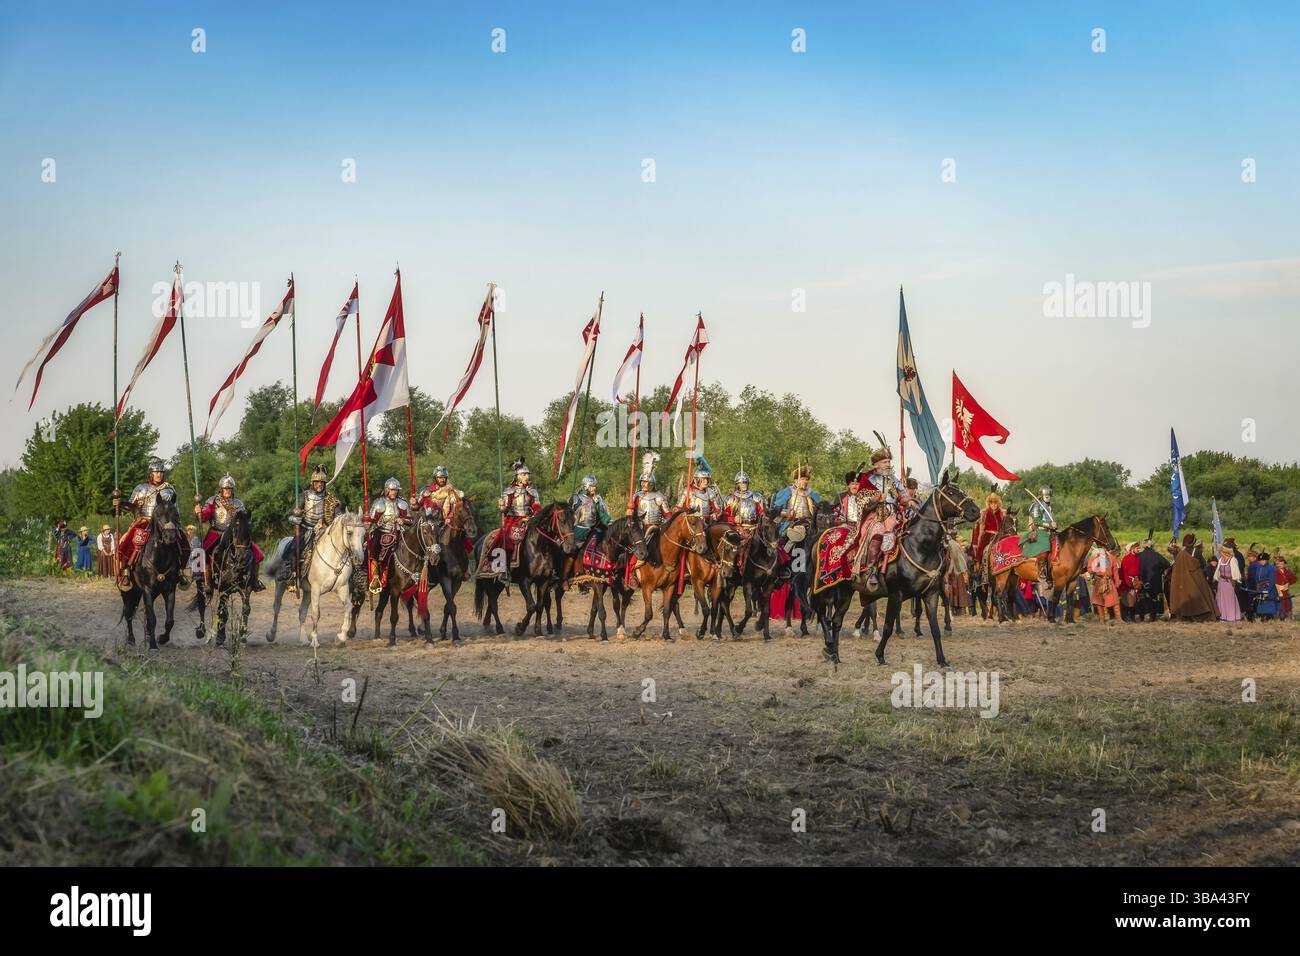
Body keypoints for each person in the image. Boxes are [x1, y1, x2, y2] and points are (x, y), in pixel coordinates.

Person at [113, 457, 189, 590]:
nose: (159, 474)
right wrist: (120, 504)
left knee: (183, 544)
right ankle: (126, 572)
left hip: (166, 524)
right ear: (151, 473)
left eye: (161, 472)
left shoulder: (170, 490)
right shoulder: (141, 488)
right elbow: (132, 506)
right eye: (156, 472)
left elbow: (175, 510)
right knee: (128, 543)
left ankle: (180, 572)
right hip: (145, 521)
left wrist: (176, 525)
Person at [855, 447, 915, 588]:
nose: (888, 464)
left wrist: (909, 501)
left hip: (894, 516)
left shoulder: (894, 480)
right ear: (876, 465)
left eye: (888, 461)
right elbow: (861, 502)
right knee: (877, 535)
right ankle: (871, 570)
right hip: (875, 517)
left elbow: (902, 496)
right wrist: (876, 500)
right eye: (884, 462)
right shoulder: (868, 480)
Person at [195, 475, 265, 590]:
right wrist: (199, 513)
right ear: (221, 489)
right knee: (201, 552)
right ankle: (204, 579)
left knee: (257, 554)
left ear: (233, 489)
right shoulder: (213, 501)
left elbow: (244, 520)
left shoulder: (238, 503)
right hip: (216, 533)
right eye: (226, 488)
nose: (228, 491)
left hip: (234, 534)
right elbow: (204, 517)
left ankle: (254, 580)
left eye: (230, 488)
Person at [479, 457, 541, 577]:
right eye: (524, 475)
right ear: (518, 476)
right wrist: (501, 506)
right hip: (513, 519)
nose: (527, 477)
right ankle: (504, 568)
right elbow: (505, 509)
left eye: (527, 475)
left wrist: (536, 515)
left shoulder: (532, 491)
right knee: (506, 538)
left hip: (529, 518)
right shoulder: (509, 491)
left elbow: (536, 506)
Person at [286, 465, 340, 589]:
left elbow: (338, 516)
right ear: (312, 483)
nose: (319, 484)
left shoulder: (330, 498)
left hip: (324, 529)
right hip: (305, 527)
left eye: (322, 482)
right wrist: (296, 518)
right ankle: (293, 576)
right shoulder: (304, 496)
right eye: (317, 482)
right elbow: (290, 515)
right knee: (295, 547)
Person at [417, 464, 473, 572]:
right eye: (440, 477)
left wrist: (450, 517)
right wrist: (414, 503)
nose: (442, 479)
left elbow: (456, 507)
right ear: (435, 478)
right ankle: (420, 566)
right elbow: (416, 507)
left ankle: (464, 567)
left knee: (462, 536)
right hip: (428, 522)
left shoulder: (451, 491)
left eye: (444, 477)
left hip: (444, 522)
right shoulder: (427, 490)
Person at [368, 477, 415, 592]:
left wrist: (402, 521)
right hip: (382, 532)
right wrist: (379, 520)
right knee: (374, 551)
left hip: (398, 532)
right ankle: (375, 577)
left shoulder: (402, 503)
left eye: (396, 490)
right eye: (392, 490)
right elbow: (371, 520)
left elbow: (411, 521)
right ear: (387, 490)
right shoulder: (379, 503)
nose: (394, 492)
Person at [626, 455, 669, 579]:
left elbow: (668, 515)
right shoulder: (637, 496)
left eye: (647, 482)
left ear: (652, 483)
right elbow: (630, 513)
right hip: (639, 527)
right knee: (635, 545)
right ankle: (631, 570)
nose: (644, 484)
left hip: (656, 527)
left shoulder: (659, 496)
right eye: (643, 482)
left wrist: (665, 525)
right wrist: (629, 510)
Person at [723, 469, 766, 572]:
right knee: (733, 547)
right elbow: (724, 517)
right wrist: (734, 519)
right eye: (741, 482)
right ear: (737, 484)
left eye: (745, 482)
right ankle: (731, 568)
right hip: (738, 529)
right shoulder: (731, 498)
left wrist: (762, 521)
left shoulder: (756, 497)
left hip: (754, 528)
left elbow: (762, 513)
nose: (744, 484)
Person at [1168, 534, 1217, 621]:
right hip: (1197, 579)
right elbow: (1203, 564)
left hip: (1183, 580)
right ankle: (1200, 615)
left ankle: (1186, 616)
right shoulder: (1195, 552)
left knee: (1185, 597)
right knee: (1200, 597)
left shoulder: (1180, 553)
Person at [1024, 484, 1059, 596]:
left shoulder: (1049, 507)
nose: (1048, 497)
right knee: (1045, 546)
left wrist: (1054, 525)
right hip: (1040, 531)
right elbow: (1037, 521)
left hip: (1050, 531)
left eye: (1049, 495)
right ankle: (1042, 573)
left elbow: (1051, 519)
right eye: (1046, 495)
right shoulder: (1036, 506)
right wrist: (1049, 524)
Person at [571, 474, 612, 548]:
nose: (595, 488)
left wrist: (610, 523)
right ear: (586, 486)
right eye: (592, 486)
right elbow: (567, 515)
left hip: (591, 531)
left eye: (595, 486)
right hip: (577, 530)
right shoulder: (576, 498)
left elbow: (603, 515)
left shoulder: (597, 499)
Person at [970, 490, 1006, 566]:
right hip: (987, 535)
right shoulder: (984, 512)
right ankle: (979, 564)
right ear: (989, 503)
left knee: (1005, 549)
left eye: (995, 503)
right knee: (982, 547)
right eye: (991, 503)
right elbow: (978, 528)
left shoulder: (1002, 513)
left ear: (998, 503)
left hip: (999, 536)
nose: (993, 505)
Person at [1087, 545, 1120, 624]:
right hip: (1099, 582)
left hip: (1109, 581)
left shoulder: (1111, 558)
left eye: (1104, 548)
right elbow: (1089, 569)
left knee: (1115, 600)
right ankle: (1102, 619)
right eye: (1101, 548)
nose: (1103, 550)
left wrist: (1117, 581)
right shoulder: (1094, 558)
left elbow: (1115, 570)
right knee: (1099, 601)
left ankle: (1119, 619)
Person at [1213, 544, 1243, 622]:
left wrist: (1234, 580)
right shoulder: (1220, 560)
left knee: (1230, 600)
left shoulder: (1232, 560)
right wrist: (1217, 578)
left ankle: (1232, 617)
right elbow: (1218, 571)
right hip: (1221, 583)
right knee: (1221, 600)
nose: (1221, 552)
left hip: (1229, 583)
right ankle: (1222, 617)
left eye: (1222, 551)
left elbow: (1236, 573)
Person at [1118, 541, 1142, 621]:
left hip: (1136, 580)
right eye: (1137, 548)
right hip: (1127, 582)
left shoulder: (1138, 558)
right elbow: (1124, 571)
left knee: (1134, 600)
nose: (1138, 549)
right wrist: (1128, 582)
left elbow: (1139, 571)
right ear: (1132, 548)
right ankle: (1126, 617)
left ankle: (1132, 617)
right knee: (1127, 600)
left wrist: (1139, 580)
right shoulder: (1126, 559)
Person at [1253, 553, 1280, 621]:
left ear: (1267, 560)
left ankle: (1269, 617)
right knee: (1261, 604)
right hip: (1260, 588)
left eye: (1263, 560)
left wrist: (1267, 591)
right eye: (1260, 560)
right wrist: (1257, 587)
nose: (1262, 561)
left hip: (1269, 589)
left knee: (1269, 603)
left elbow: (1272, 580)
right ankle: (1262, 616)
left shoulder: (1271, 568)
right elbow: (1257, 578)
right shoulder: (1258, 567)